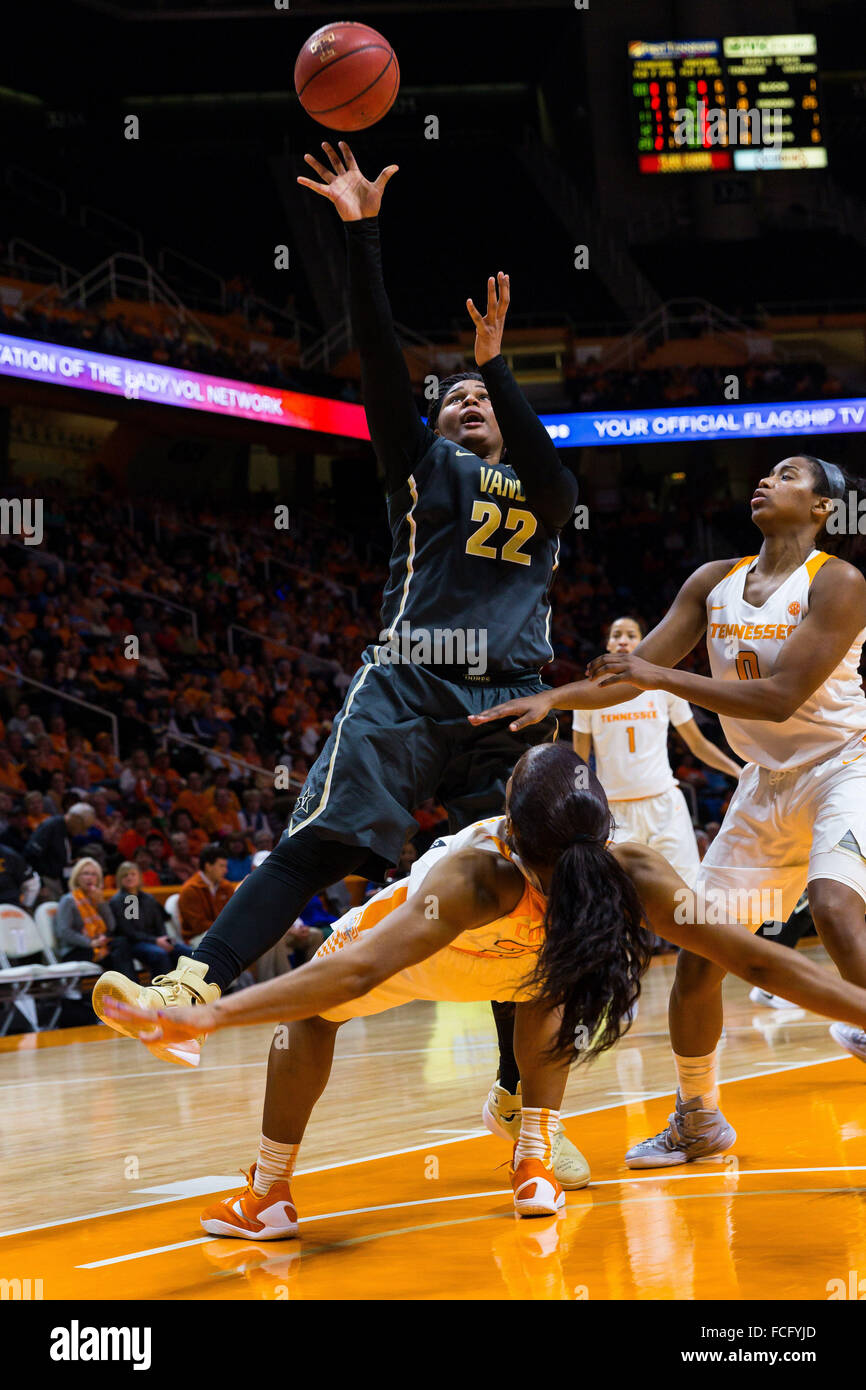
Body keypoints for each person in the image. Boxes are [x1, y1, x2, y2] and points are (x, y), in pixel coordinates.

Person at [93, 140, 584, 1184]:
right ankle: (190, 985)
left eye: (480, 396)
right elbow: (373, 356)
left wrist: (496, 362)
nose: (462, 402)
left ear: (511, 406)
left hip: (513, 702)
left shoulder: (547, 489)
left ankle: (516, 1101)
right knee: (320, 843)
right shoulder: (420, 468)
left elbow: (541, 460)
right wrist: (360, 236)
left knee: (519, 891)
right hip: (408, 677)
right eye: (448, 393)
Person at [104, 743, 866, 1233]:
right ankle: (531, 1155)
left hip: (436, 950)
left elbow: (358, 970)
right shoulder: (629, 871)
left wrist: (215, 1015)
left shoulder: (479, 872)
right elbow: (761, 961)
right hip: (511, 959)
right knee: (554, 978)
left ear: (508, 813)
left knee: (314, 1017)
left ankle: (270, 1194)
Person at [471, 454, 866, 1165]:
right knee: (698, 950)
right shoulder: (712, 581)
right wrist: (555, 698)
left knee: (834, 906)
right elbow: (629, 677)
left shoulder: (838, 581)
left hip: (845, 762)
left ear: (822, 509)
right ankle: (698, 1118)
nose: (766, 480)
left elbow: (781, 698)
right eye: (765, 472)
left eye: (788, 474)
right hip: (764, 781)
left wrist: (656, 675)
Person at [572, 613, 742, 960]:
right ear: (607, 645)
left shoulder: (663, 689)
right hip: (616, 811)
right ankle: (619, 975)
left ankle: (707, 965)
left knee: (690, 893)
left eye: (631, 635)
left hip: (666, 804)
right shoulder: (587, 694)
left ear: (642, 644)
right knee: (615, 898)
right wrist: (578, 798)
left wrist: (738, 770)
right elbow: (579, 759)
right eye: (616, 634)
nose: (622, 640)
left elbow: (697, 744)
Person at [55, 857, 137, 980]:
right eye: (85, 874)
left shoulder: (96, 898)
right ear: (77, 877)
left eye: (94, 874)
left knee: (121, 943)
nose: (90, 878)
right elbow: (64, 931)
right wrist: (90, 942)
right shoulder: (68, 900)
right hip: (76, 949)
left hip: (99, 945)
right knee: (118, 955)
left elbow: (111, 926)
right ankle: (129, 990)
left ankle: (129, 989)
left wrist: (101, 903)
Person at [109, 861, 182, 975]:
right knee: (159, 954)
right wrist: (156, 941)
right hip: (134, 943)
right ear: (119, 879)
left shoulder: (149, 898)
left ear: (139, 876)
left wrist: (164, 939)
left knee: (185, 952)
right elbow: (129, 932)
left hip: (155, 940)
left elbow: (160, 923)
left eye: (133, 874)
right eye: (125, 875)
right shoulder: (119, 901)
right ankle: (160, 990)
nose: (129, 877)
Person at [24, 802, 95, 899]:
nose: (83, 832)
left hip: (57, 879)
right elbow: (31, 855)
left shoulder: (65, 830)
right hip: (45, 881)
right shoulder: (51, 826)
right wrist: (41, 884)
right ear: (76, 819)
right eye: (84, 827)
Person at [175, 844, 234, 949]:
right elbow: (198, 926)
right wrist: (226, 930)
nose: (226, 871)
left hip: (223, 934)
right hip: (196, 938)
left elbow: (234, 915)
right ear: (208, 866)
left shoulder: (227, 887)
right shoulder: (190, 889)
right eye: (222, 866)